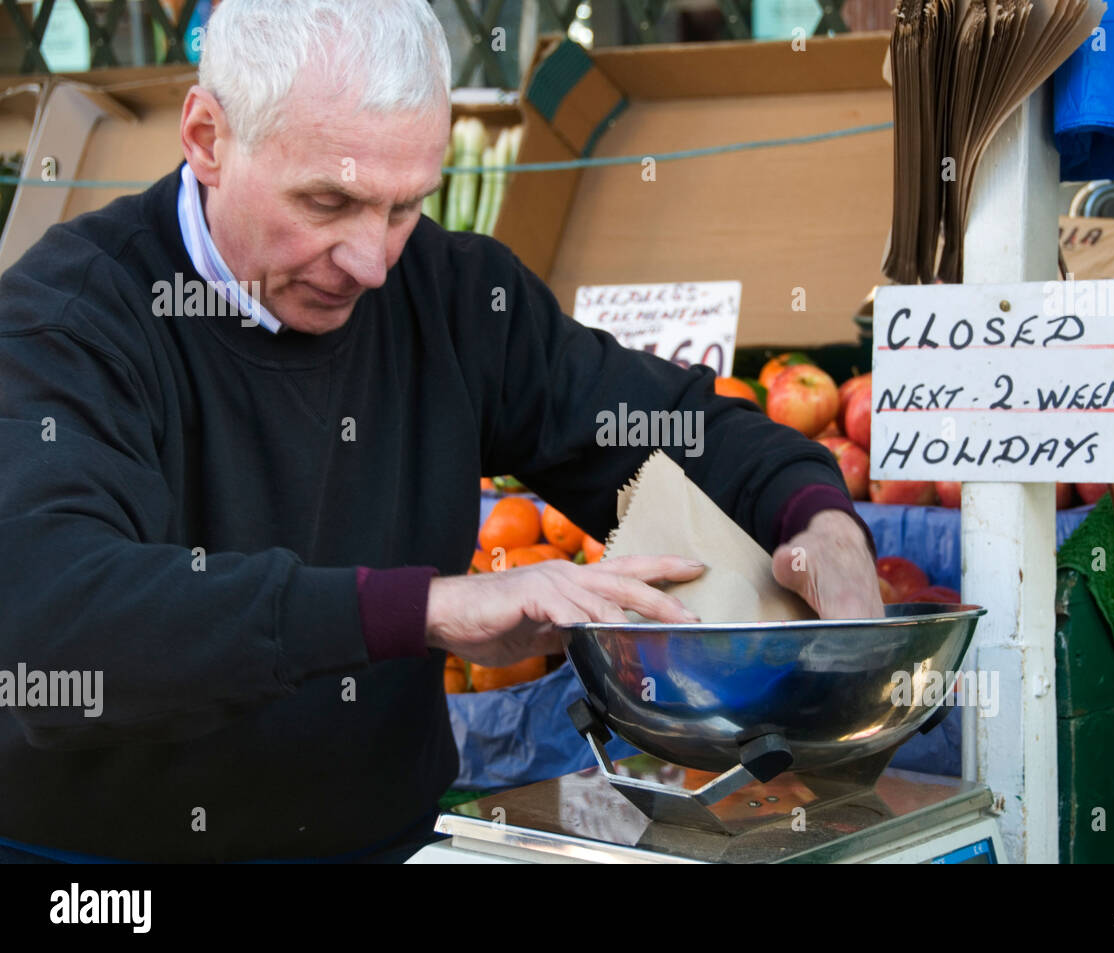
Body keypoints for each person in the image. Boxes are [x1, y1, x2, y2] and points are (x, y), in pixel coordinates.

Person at [0, 0, 880, 864]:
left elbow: (671, 425)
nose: (372, 262)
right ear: (206, 138)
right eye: (327, 201)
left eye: (404, 205)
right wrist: (421, 609)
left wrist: (812, 513)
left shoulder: (457, 293)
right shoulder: (70, 320)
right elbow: (52, 618)